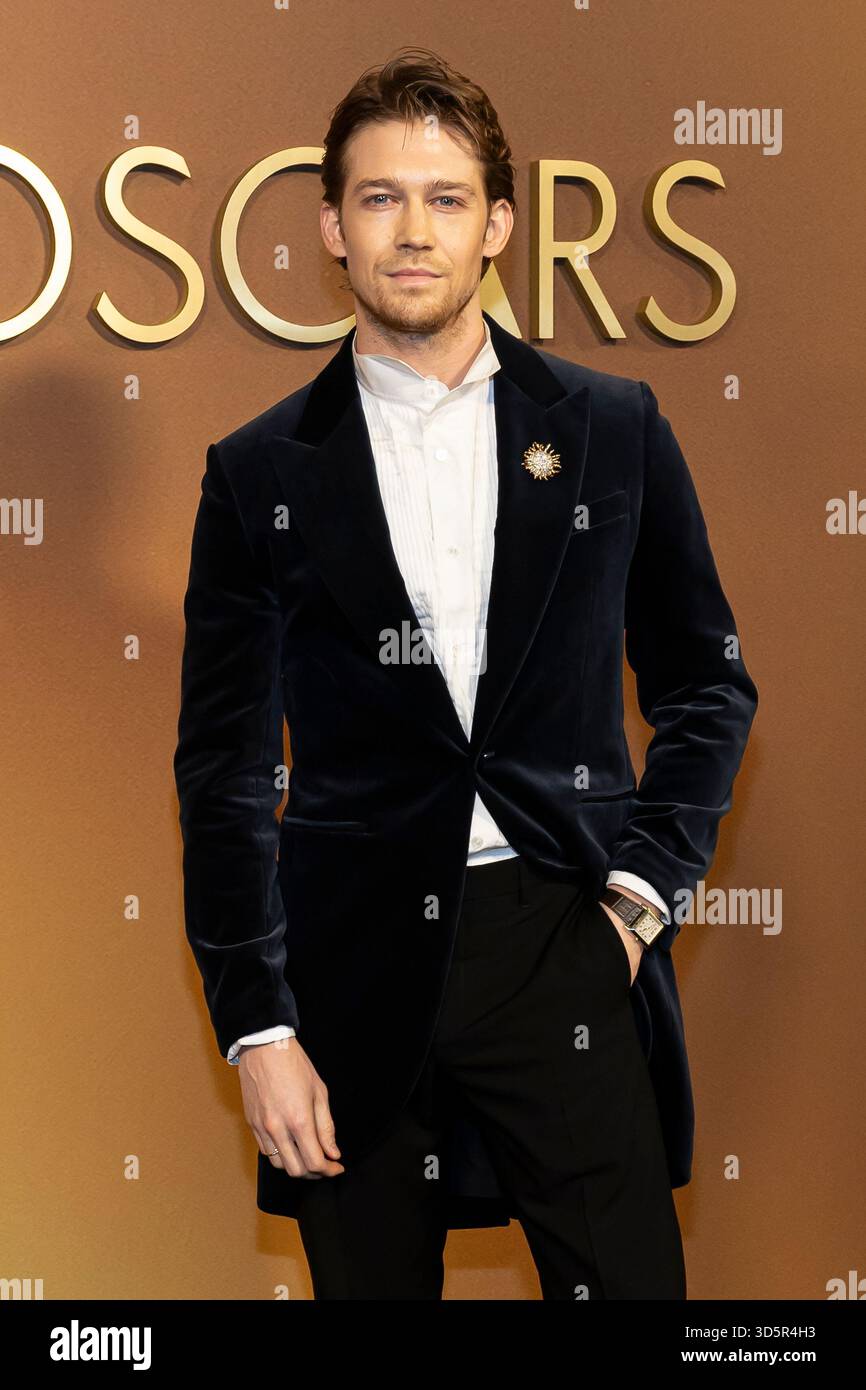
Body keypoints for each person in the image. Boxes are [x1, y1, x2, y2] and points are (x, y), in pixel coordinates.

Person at [173, 47, 758, 1300]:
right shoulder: (258, 472)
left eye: (444, 198)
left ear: (497, 222)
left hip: (560, 943)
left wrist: (634, 906)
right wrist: (259, 1028)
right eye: (380, 198)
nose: (412, 230)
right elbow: (222, 772)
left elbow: (707, 685)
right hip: (345, 972)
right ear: (331, 226)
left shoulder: (612, 425)